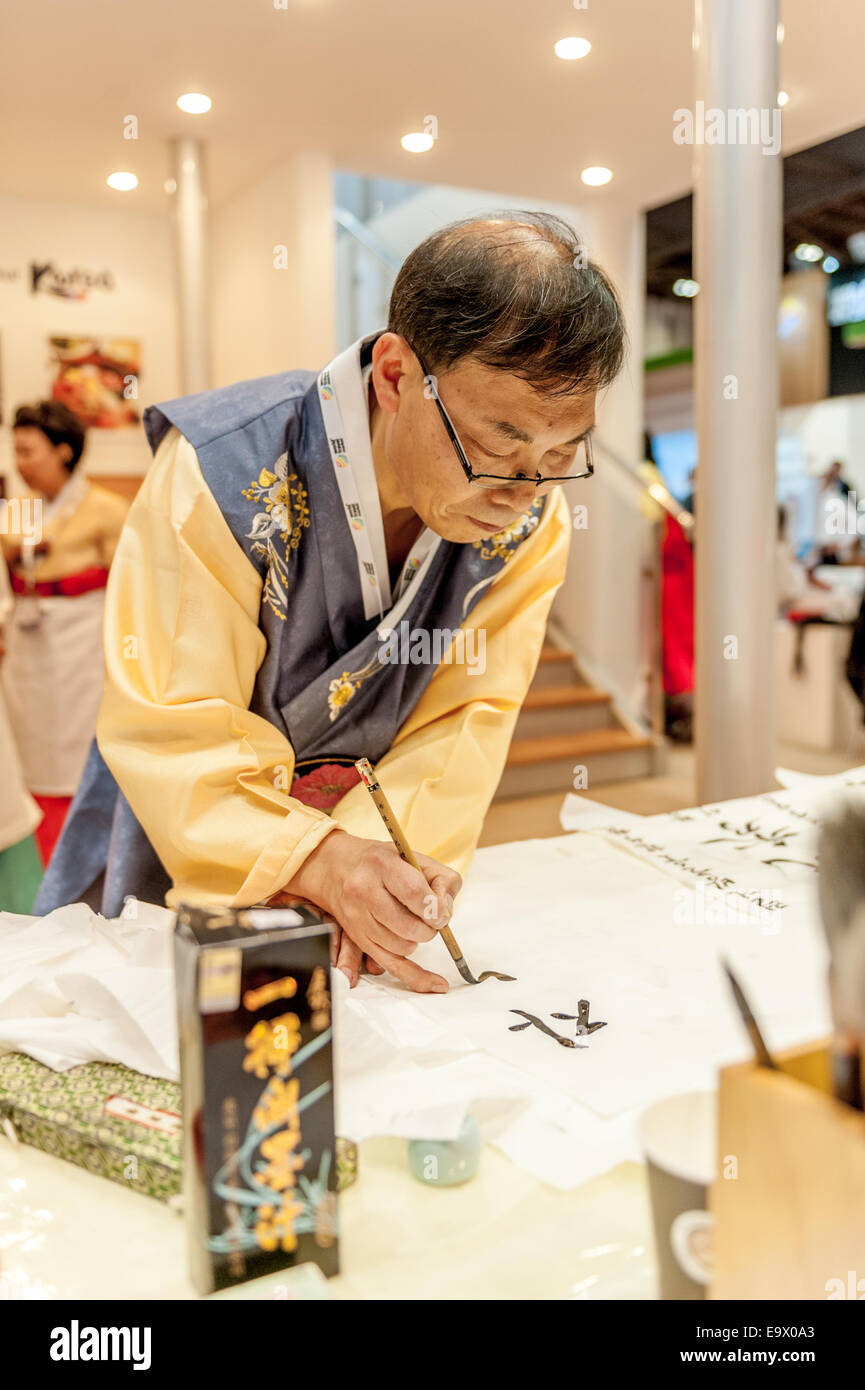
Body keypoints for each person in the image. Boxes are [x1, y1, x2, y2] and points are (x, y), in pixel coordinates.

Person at [37, 212, 626, 993]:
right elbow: (172, 720)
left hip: (361, 862)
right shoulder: (221, 469)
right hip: (193, 841)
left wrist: (383, 872)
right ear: (393, 374)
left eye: (559, 455)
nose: (521, 493)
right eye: (493, 448)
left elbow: (467, 721)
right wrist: (313, 859)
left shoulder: (532, 521)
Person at [0, 401, 129, 863]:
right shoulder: (19, 508)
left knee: (79, 744)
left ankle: (84, 848)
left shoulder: (106, 508)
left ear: (63, 452)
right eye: (15, 452)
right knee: (27, 740)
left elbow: (127, 586)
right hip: (29, 638)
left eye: (29, 451)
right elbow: (9, 565)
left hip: (83, 641)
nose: (20, 464)